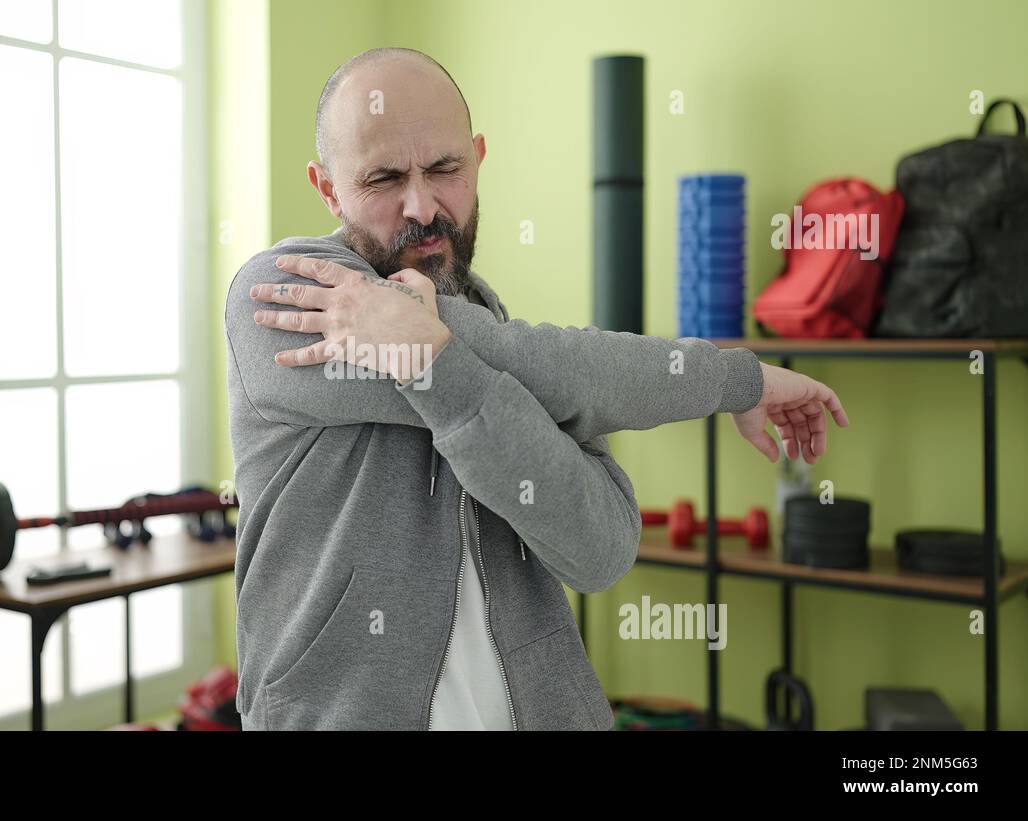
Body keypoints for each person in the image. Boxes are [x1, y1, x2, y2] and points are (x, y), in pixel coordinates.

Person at [223, 47, 848, 730]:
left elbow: (602, 548)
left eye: (444, 169)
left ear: (479, 159)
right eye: (383, 178)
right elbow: (546, 358)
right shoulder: (289, 301)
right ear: (327, 189)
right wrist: (734, 379)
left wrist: (436, 360)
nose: (422, 206)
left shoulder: (498, 332)